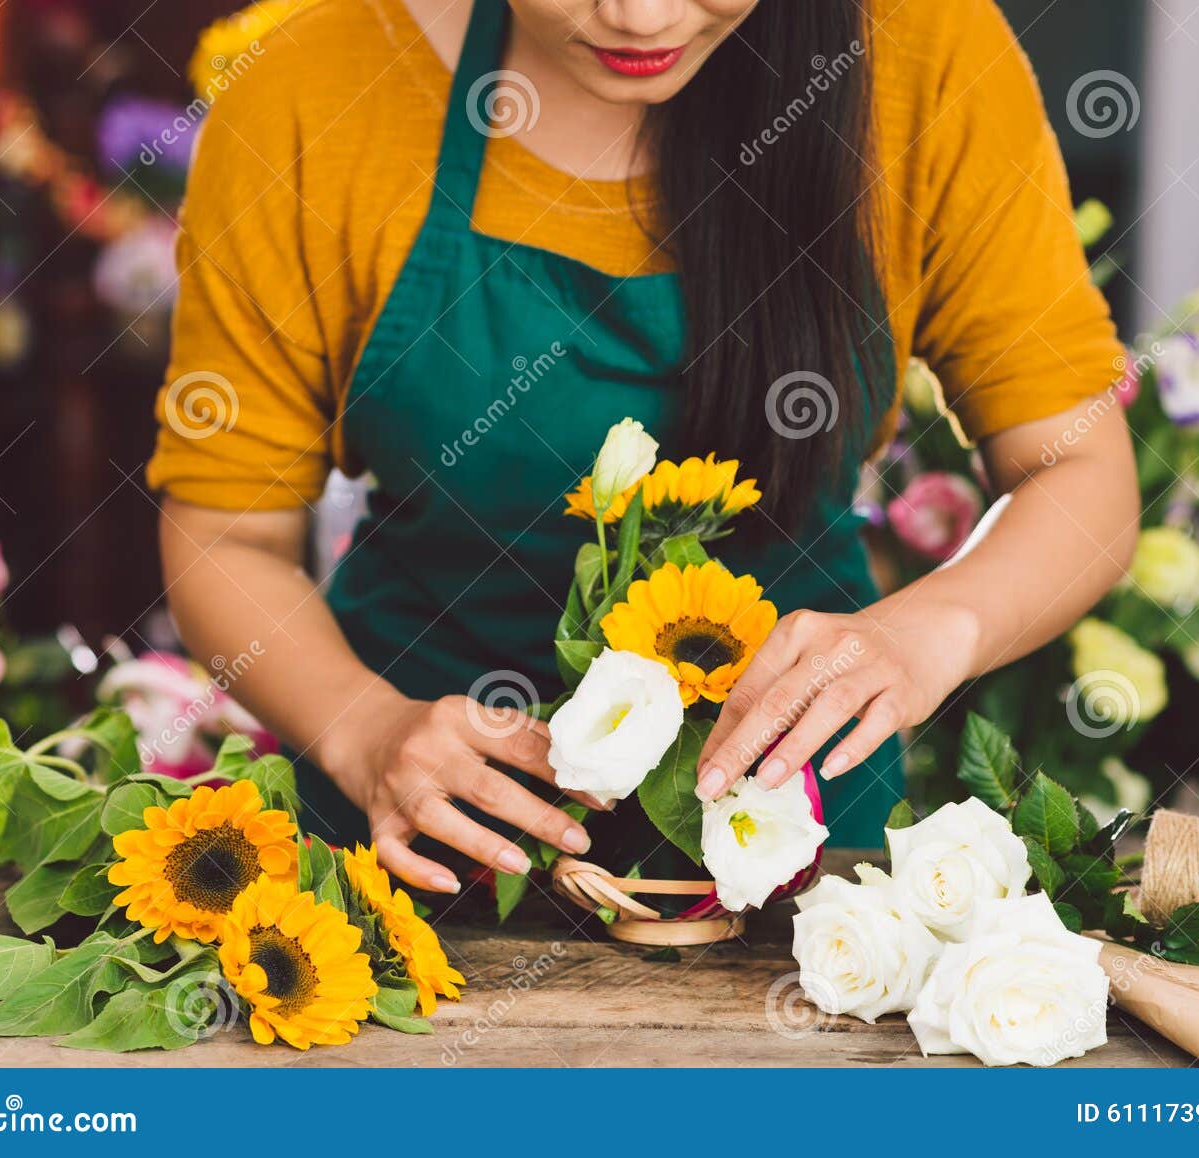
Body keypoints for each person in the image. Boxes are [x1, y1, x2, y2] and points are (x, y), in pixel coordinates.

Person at [149, 0, 1139, 894]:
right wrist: (365, 732)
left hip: (800, 855)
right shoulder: (306, 91)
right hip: (411, 852)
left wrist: (934, 628)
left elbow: (1079, 467)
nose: (637, 16)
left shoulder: (926, 55)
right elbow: (227, 537)